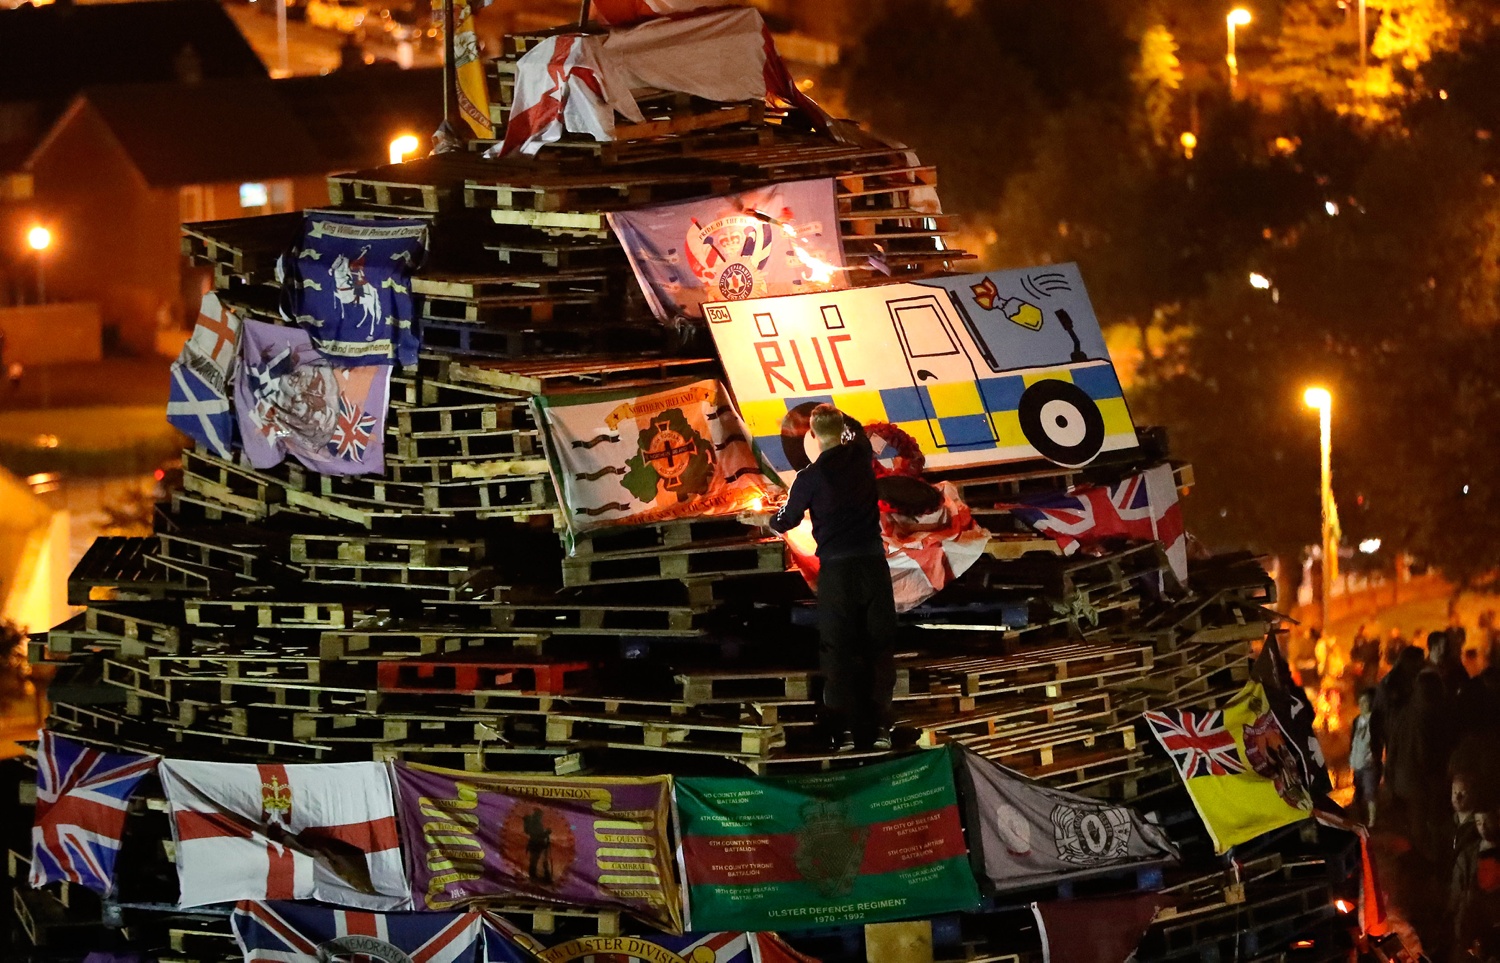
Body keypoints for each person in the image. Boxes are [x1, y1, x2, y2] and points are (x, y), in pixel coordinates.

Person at [755, 404, 896, 753]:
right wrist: (842, 420)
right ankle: (881, 727)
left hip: (838, 571)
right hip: (873, 567)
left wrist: (765, 521)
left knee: (837, 647)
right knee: (880, 645)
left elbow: (786, 520)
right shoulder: (861, 458)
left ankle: (841, 730)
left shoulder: (810, 477)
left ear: (813, 435)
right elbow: (859, 430)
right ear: (842, 430)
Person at [1350, 688, 1379, 825]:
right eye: (1360, 702)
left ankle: (1372, 822)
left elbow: (1378, 740)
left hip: (1369, 763)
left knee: (1370, 792)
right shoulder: (1356, 721)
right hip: (1357, 763)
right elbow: (1353, 741)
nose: (1362, 705)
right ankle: (1361, 819)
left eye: (1365, 702)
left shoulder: (1374, 721)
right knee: (1358, 794)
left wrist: (1375, 757)